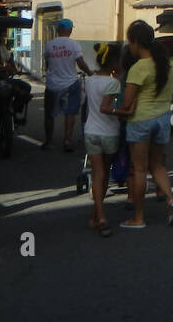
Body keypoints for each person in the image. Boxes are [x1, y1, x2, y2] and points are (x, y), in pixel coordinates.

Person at [117, 20, 173, 229]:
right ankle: (171, 200)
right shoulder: (169, 64)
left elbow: (127, 104)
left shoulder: (138, 68)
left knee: (139, 170)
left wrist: (115, 110)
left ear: (135, 42)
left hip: (141, 121)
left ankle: (138, 217)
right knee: (158, 165)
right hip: (163, 119)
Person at [82, 46, 124, 237]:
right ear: (114, 62)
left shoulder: (90, 80)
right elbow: (106, 108)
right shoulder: (113, 83)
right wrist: (125, 112)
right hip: (109, 132)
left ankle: (95, 215)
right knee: (103, 175)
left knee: (97, 174)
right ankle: (101, 217)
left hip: (90, 131)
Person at [42, 19, 92, 152]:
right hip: (70, 83)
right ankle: (67, 141)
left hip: (52, 84)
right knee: (70, 113)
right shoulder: (74, 44)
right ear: (69, 30)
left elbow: (48, 65)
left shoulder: (49, 45)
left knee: (49, 114)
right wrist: (90, 73)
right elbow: (80, 63)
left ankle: (48, 142)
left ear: (58, 30)